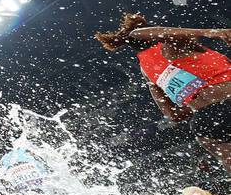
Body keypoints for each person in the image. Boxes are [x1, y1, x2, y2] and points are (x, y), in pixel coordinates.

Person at [94, 13, 231, 175]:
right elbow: (138, 33)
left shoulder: (147, 71)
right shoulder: (173, 46)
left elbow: (174, 115)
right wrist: (212, 32)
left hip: (205, 122)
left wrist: (202, 104)